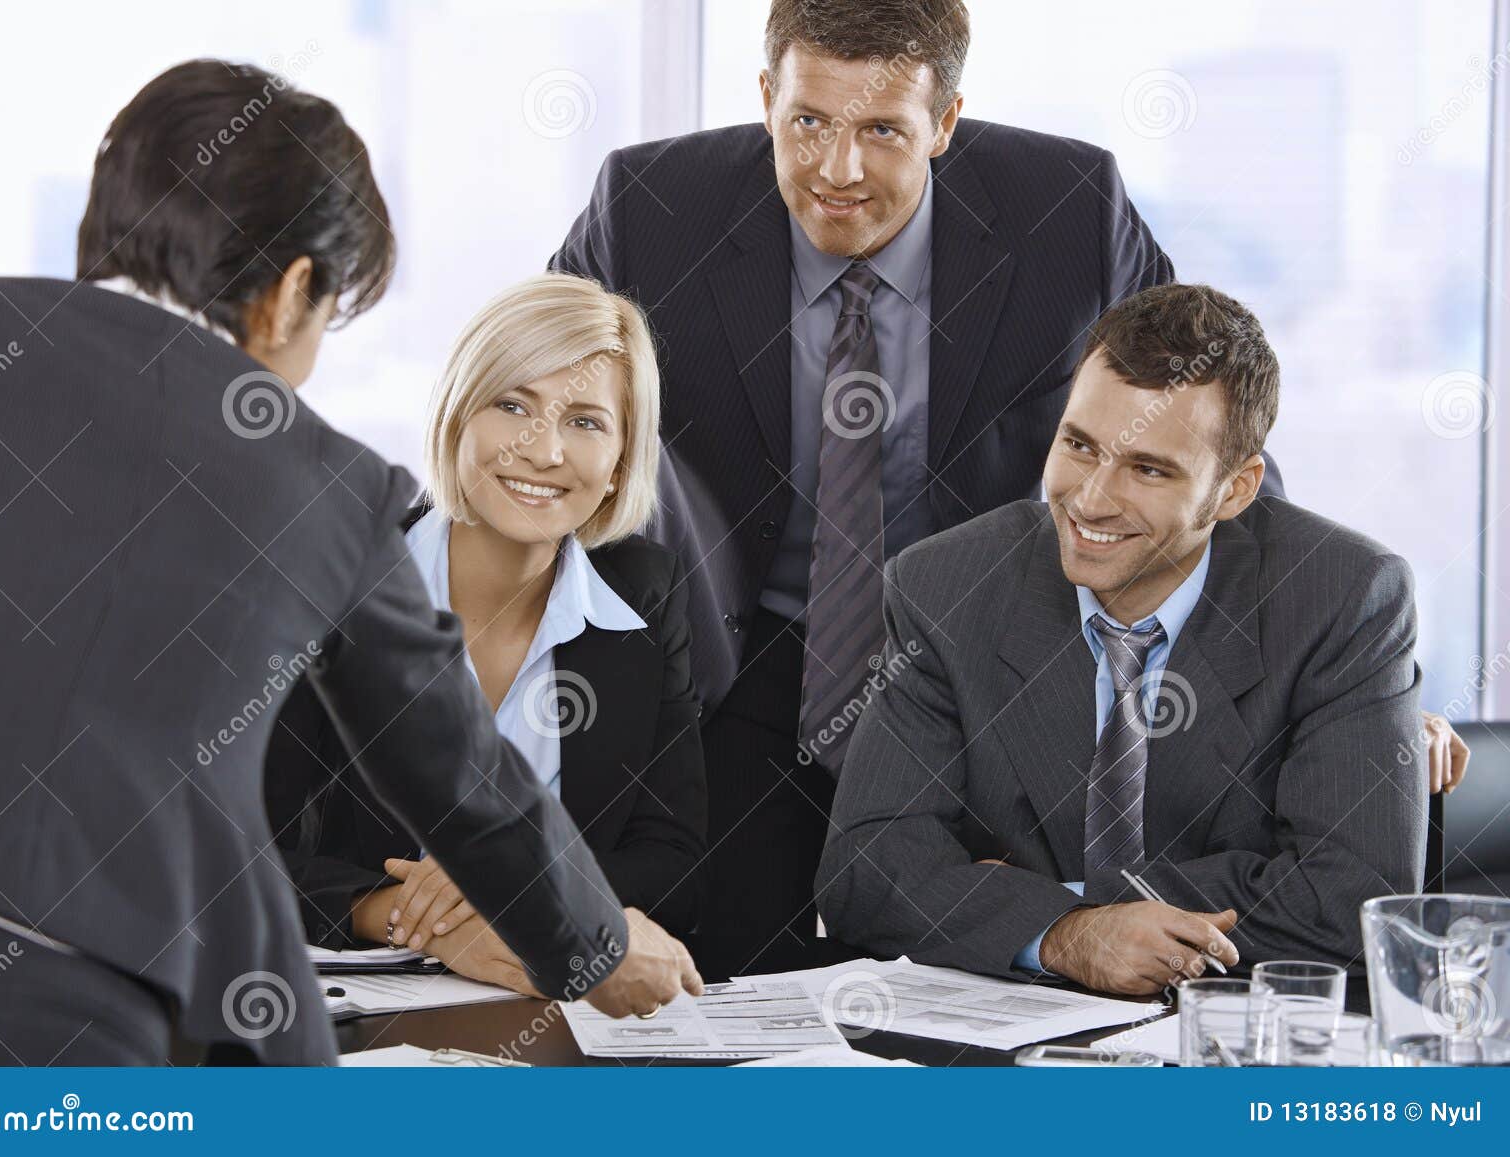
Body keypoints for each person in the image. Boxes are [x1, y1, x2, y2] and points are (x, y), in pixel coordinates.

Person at [552, 0, 1465, 978]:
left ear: (944, 121)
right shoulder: (650, 207)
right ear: (766, 94)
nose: (836, 170)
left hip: (973, 661)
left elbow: (1191, 420)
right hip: (736, 669)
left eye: (882, 131)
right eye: (808, 121)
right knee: (710, 990)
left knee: (961, 975)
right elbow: (520, 414)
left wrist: (1333, 694)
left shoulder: (1067, 206)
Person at [0, 61, 698, 1066]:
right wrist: (596, 943)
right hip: (71, 1013)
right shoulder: (323, 483)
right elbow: (455, 772)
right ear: (289, 297)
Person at [816, 283, 1427, 993]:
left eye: (1148, 468)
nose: (1091, 498)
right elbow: (865, 870)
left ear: (1234, 489)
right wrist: (1070, 937)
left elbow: (1352, 895)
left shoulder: (1344, 598)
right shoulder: (946, 586)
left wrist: (1059, 902)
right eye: (1079, 445)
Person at [265, 273, 707, 993]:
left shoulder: (642, 592)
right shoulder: (334, 580)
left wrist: (513, 880)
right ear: (459, 414)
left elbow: (674, 861)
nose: (544, 450)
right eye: (513, 405)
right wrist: (422, 921)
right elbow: (242, 851)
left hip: (553, 1028)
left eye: (587, 422)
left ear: (622, 457)